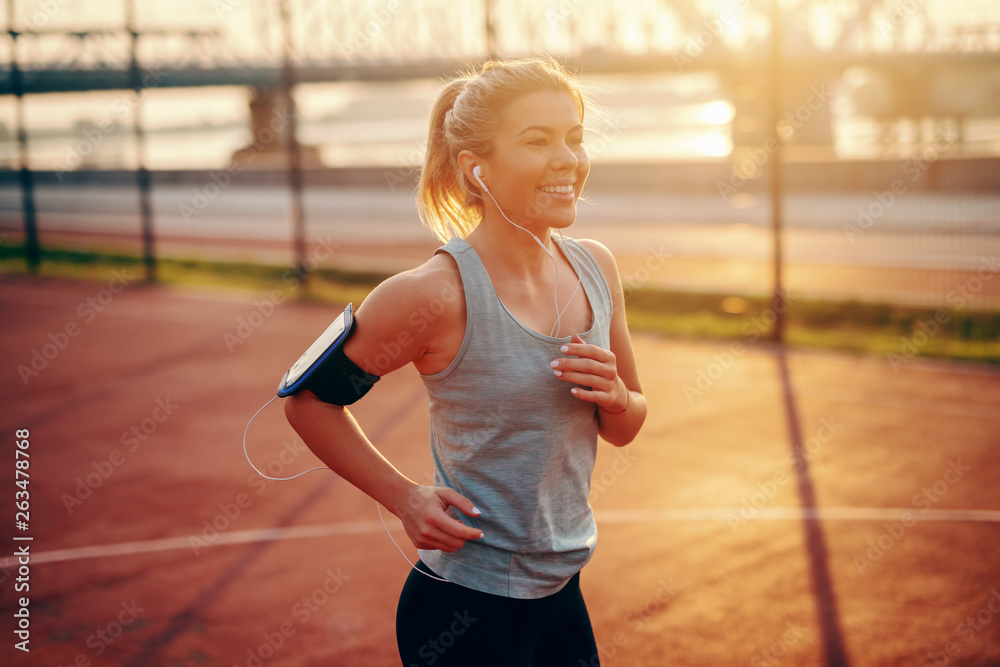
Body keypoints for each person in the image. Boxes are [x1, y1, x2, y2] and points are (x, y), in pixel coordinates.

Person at [283, 56, 646, 667]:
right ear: (476, 168)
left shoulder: (596, 267)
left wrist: (617, 396)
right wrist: (403, 498)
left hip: (563, 596)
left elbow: (627, 426)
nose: (569, 160)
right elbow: (309, 403)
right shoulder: (432, 294)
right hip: (464, 613)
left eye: (575, 139)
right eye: (538, 141)